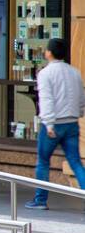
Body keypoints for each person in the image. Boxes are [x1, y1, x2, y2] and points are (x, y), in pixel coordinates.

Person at [26, 37, 85, 210]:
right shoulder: (74, 72)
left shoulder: (45, 74)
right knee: (75, 162)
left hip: (54, 123)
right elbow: (81, 98)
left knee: (43, 161)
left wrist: (49, 124)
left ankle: (40, 200)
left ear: (49, 53)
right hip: (72, 122)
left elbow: (46, 100)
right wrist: (79, 114)